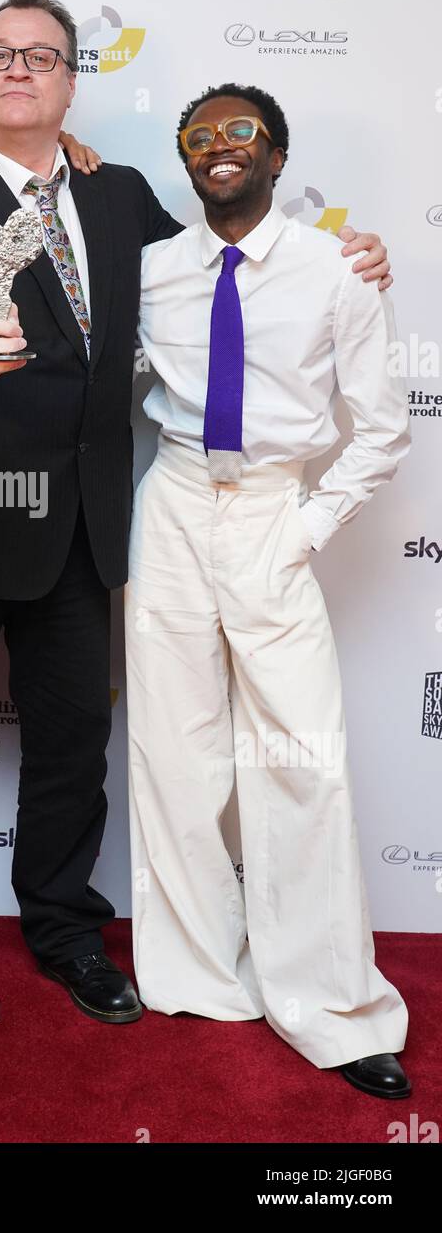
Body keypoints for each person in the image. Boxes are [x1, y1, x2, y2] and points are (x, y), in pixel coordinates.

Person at [0, 0, 392, 1047]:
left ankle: (63, 932)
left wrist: (349, 250)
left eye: (42, 56)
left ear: (67, 82)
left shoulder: (120, 196)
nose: (19, 70)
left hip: (82, 538)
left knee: (71, 753)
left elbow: (224, 256)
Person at [124, 82, 411, 1098]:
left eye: (240, 131)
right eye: (198, 135)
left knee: (300, 758)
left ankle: (330, 1006)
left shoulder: (339, 267)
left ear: (277, 156)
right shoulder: (153, 268)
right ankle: (198, 971)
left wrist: (303, 529)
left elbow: (381, 424)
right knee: (174, 749)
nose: (218, 146)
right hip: (171, 504)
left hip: (271, 513)